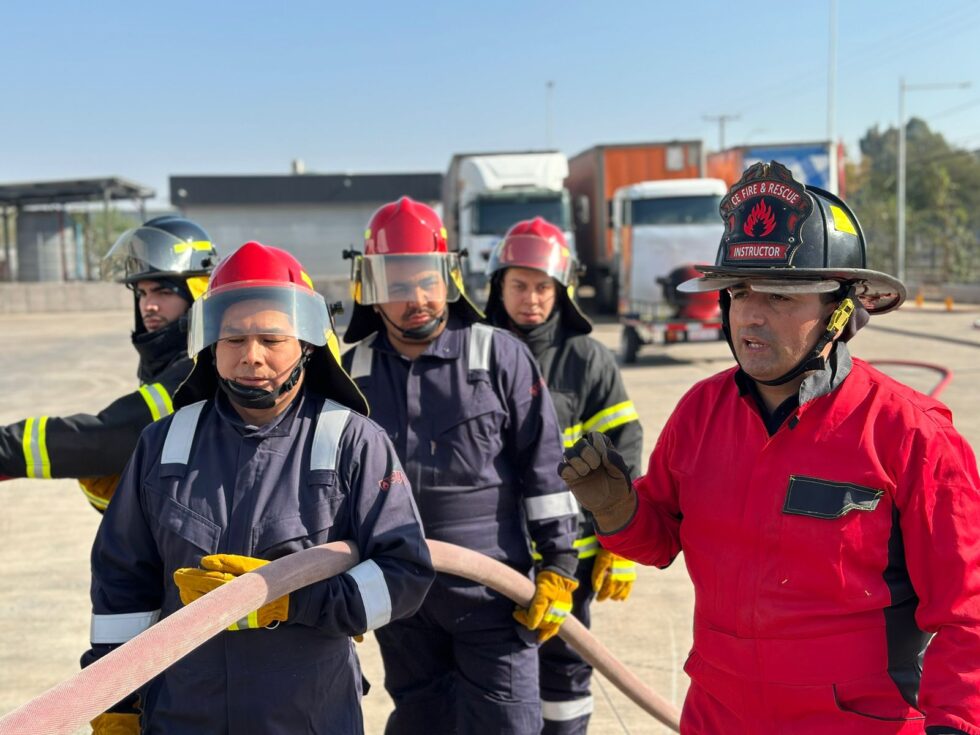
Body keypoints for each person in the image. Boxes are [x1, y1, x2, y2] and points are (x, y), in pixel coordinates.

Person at [559, 161, 980, 734]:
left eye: (781, 295)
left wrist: (956, 724)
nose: (750, 314)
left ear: (840, 310)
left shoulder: (910, 435)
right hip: (718, 715)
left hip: (858, 723)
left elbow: (967, 612)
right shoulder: (699, 415)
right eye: (737, 292)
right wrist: (616, 509)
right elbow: (659, 543)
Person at [83, 242, 434, 735]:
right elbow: (123, 587)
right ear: (210, 345)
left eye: (272, 338)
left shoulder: (352, 442)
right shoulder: (163, 444)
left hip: (308, 717)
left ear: (307, 344)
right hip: (182, 717)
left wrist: (292, 600)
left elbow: (404, 576)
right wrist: (115, 701)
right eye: (234, 339)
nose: (252, 356)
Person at [341, 197, 579, 734]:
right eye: (396, 285)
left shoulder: (499, 355)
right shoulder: (350, 373)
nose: (416, 299)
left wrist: (560, 568)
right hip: (401, 605)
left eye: (427, 280)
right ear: (370, 289)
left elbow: (546, 471)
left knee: (509, 726)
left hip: (494, 600)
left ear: (449, 277)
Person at [484, 216, 643, 734]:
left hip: (570, 561)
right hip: (491, 560)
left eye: (543, 287)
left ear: (561, 290)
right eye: (520, 286)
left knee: (566, 678)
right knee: (499, 680)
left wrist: (620, 542)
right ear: (498, 287)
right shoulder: (473, 355)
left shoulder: (586, 360)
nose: (532, 298)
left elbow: (621, 450)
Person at [0, 215, 217, 512]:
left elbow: (104, 437)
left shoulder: (195, 369)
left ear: (198, 296)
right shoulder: (171, 360)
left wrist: (4, 448)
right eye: (142, 293)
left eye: (163, 292)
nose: (148, 305)